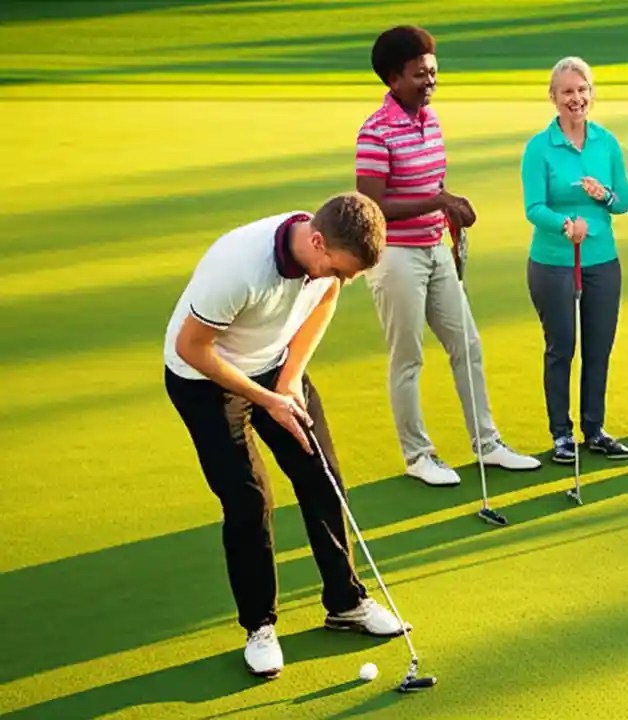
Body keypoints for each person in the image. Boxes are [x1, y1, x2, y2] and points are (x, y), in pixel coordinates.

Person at [163, 192, 406, 680]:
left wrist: (291, 377)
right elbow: (192, 347)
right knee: (249, 499)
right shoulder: (238, 266)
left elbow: (326, 298)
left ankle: (346, 603)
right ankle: (259, 627)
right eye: (339, 268)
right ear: (316, 242)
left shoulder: (327, 262)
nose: (343, 280)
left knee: (322, 476)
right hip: (204, 381)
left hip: (275, 368)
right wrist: (264, 398)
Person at [355, 25, 541, 487]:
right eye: (420, 74)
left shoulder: (431, 120)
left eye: (434, 72)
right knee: (408, 357)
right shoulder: (375, 132)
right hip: (395, 257)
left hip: (436, 249)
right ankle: (418, 455)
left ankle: (488, 444)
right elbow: (372, 205)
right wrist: (438, 203)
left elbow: (431, 187)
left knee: (468, 345)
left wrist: (451, 211)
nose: (431, 80)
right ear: (393, 79)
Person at [521, 57, 628, 464]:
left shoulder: (606, 142)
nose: (576, 98)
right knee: (562, 346)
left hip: (603, 261)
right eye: (567, 91)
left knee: (599, 347)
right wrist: (565, 223)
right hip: (554, 262)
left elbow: (623, 202)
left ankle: (594, 429)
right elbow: (533, 207)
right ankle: (561, 434)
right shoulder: (539, 147)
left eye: (582, 89)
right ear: (553, 97)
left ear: (591, 94)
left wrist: (602, 195)